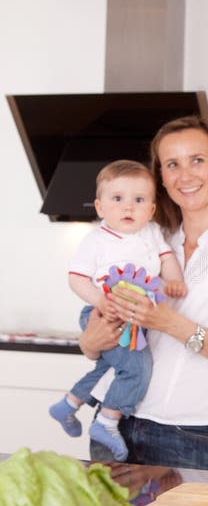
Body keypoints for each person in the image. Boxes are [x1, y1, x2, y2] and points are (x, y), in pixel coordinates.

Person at [81, 115, 208, 470]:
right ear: (161, 178)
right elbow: (97, 346)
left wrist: (171, 322)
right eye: (172, 164)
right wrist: (90, 341)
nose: (185, 175)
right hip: (113, 418)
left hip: (186, 433)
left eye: (197, 160)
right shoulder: (149, 240)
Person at [49, 159, 185, 461]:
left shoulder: (152, 232)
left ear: (151, 209)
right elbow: (76, 278)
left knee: (108, 367)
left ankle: (68, 405)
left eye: (138, 200)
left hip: (135, 319)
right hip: (104, 314)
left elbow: (166, 259)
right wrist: (101, 302)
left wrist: (174, 280)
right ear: (100, 207)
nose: (128, 208)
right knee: (138, 369)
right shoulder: (96, 239)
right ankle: (107, 422)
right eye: (118, 199)